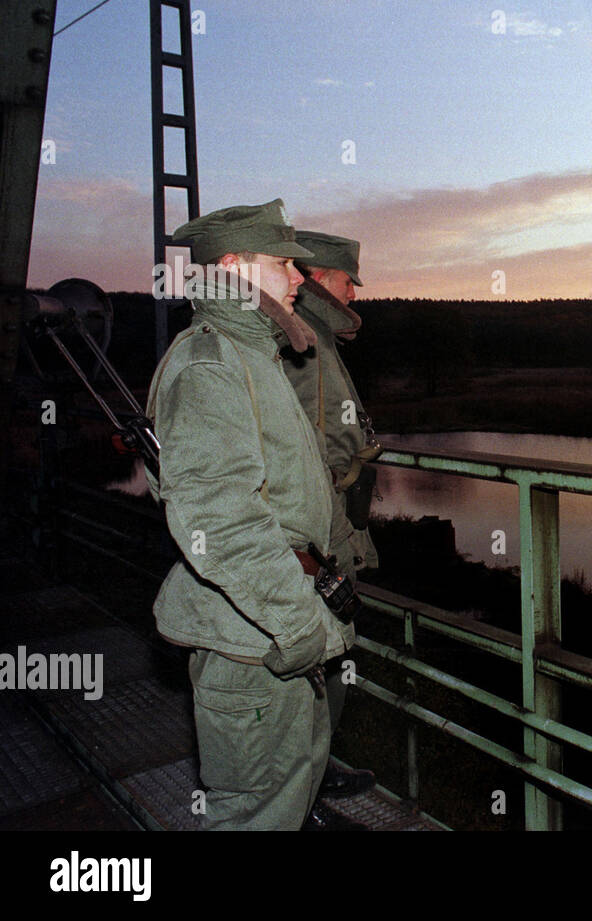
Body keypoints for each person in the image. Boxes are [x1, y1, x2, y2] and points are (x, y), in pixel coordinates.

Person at [144, 199, 355, 830]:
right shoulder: (211, 364)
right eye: (284, 264)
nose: (298, 279)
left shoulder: (253, 353)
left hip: (263, 628)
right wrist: (298, 625)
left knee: (287, 793)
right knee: (254, 812)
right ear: (234, 266)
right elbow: (220, 521)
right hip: (255, 638)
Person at [280, 230, 382, 820]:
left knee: (328, 649)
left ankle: (313, 770)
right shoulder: (301, 338)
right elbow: (290, 444)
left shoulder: (313, 334)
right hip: (318, 525)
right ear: (319, 279)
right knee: (321, 647)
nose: (354, 292)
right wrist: (311, 539)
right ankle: (303, 787)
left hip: (328, 519)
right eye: (348, 280)